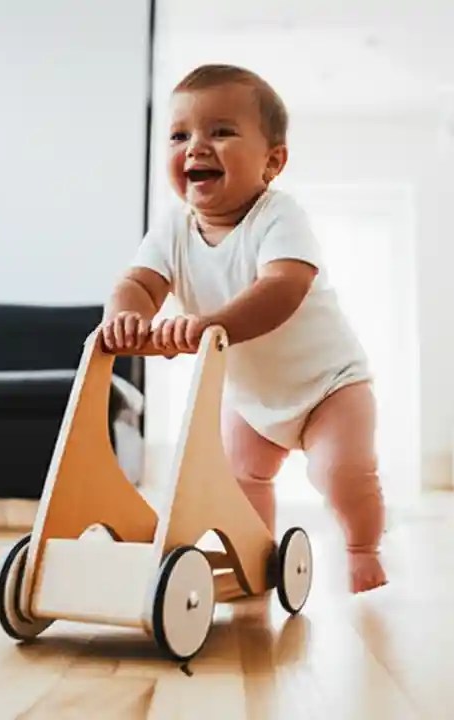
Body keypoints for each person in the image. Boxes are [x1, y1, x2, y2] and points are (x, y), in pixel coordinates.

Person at [100, 64, 386, 594]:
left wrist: (209, 325)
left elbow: (283, 288)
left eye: (221, 132)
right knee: (240, 480)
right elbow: (138, 282)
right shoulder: (171, 229)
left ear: (272, 161)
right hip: (251, 395)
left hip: (329, 385)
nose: (196, 147)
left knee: (339, 474)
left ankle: (361, 547)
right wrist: (127, 316)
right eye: (180, 135)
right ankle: (255, 558)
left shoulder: (279, 216)